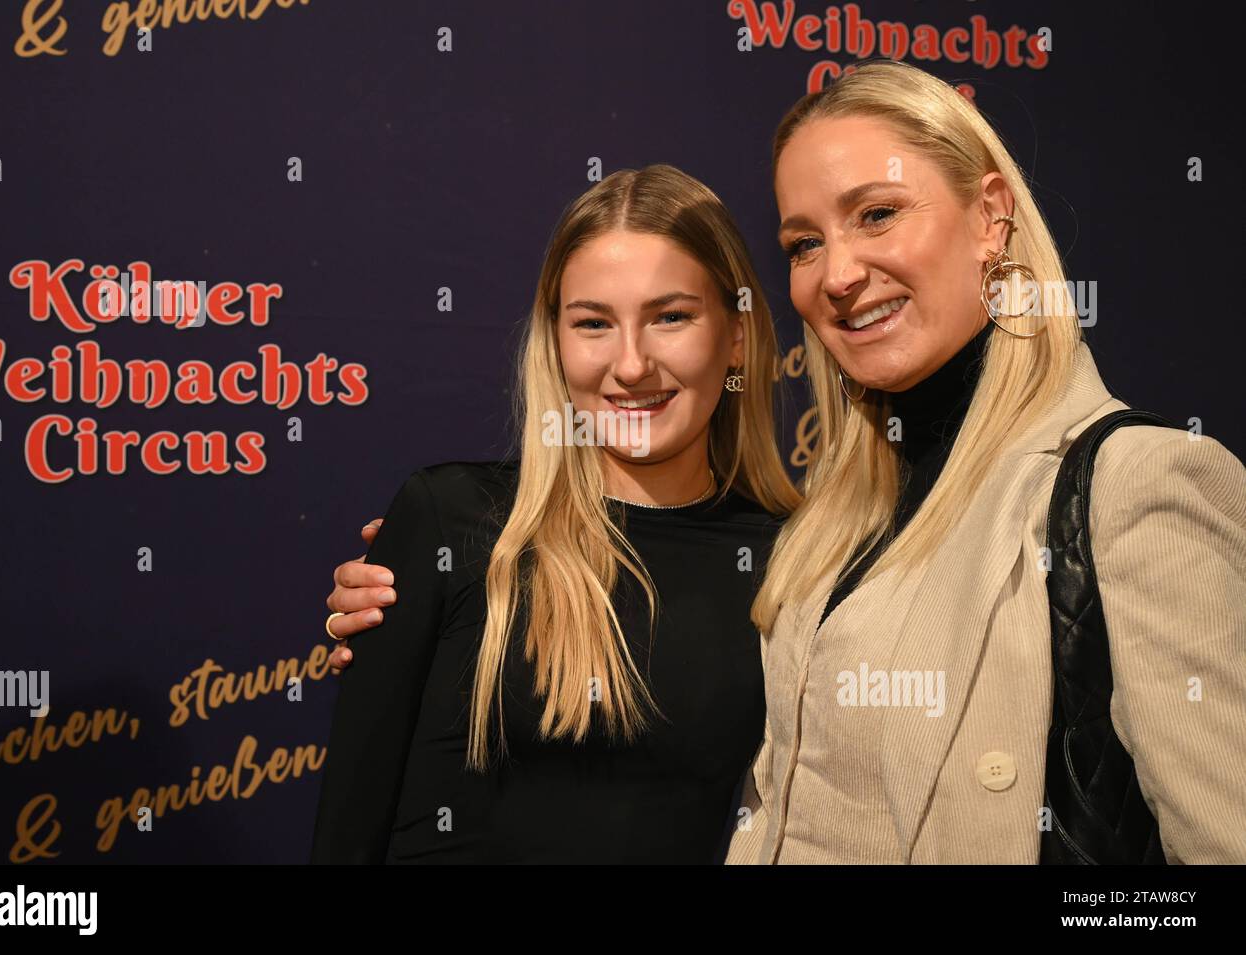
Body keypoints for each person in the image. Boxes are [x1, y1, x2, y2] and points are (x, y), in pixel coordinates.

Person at [323, 60, 1246, 864]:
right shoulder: (829, 536)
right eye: (806, 243)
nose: (839, 272)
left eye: (877, 214)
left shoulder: (1134, 482)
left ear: (992, 215)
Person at [310, 164, 802, 863]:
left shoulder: (794, 557)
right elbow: (346, 830)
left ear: (737, 336)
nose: (631, 364)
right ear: (556, 339)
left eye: (671, 317)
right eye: (594, 323)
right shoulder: (452, 520)